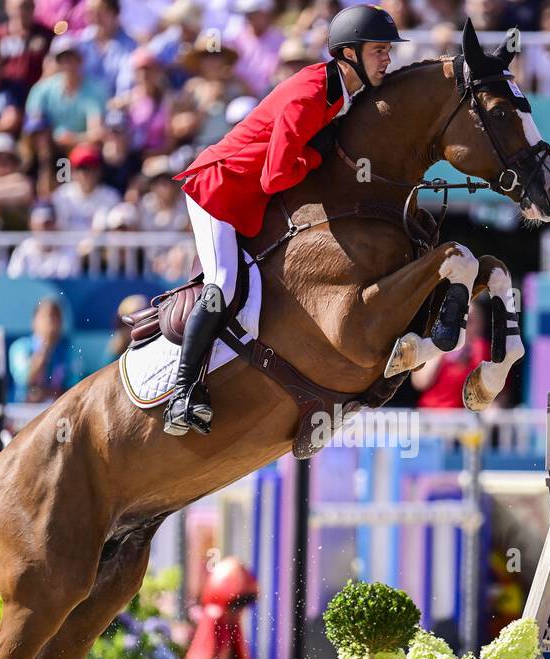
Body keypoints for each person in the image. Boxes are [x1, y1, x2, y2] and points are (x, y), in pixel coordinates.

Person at [163, 5, 407, 438]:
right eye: (379, 50)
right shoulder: (311, 92)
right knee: (224, 284)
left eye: (387, 50)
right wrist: (317, 152)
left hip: (247, 197)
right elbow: (276, 174)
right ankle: (182, 394)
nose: (387, 58)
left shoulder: (344, 93)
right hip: (217, 188)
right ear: (349, 54)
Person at [411, 299, 494, 409]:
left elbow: (489, 392)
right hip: (430, 414)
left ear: (480, 324)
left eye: (470, 321)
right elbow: (420, 383)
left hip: (464, 419)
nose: (463, 326)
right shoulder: (436, 345)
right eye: (459, 319)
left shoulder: (482, 349)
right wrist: (443, 350)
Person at [8, 298, 82, 402]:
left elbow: (74, 389)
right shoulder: (19, 347)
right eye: (44, 317)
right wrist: (45, 347)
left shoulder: (69, 353)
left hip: (56, 411)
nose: (50, 322)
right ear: (33, 322)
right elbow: (25, 379)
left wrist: (47, 394)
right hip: (21, 411)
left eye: (55, 317)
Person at [52, 142, 120, 230]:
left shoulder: (111, 197)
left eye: (92, 167)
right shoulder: (61, 195)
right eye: (82, 168)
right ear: (73, 171)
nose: (88, 173)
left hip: (99, 244)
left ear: (99, 171)